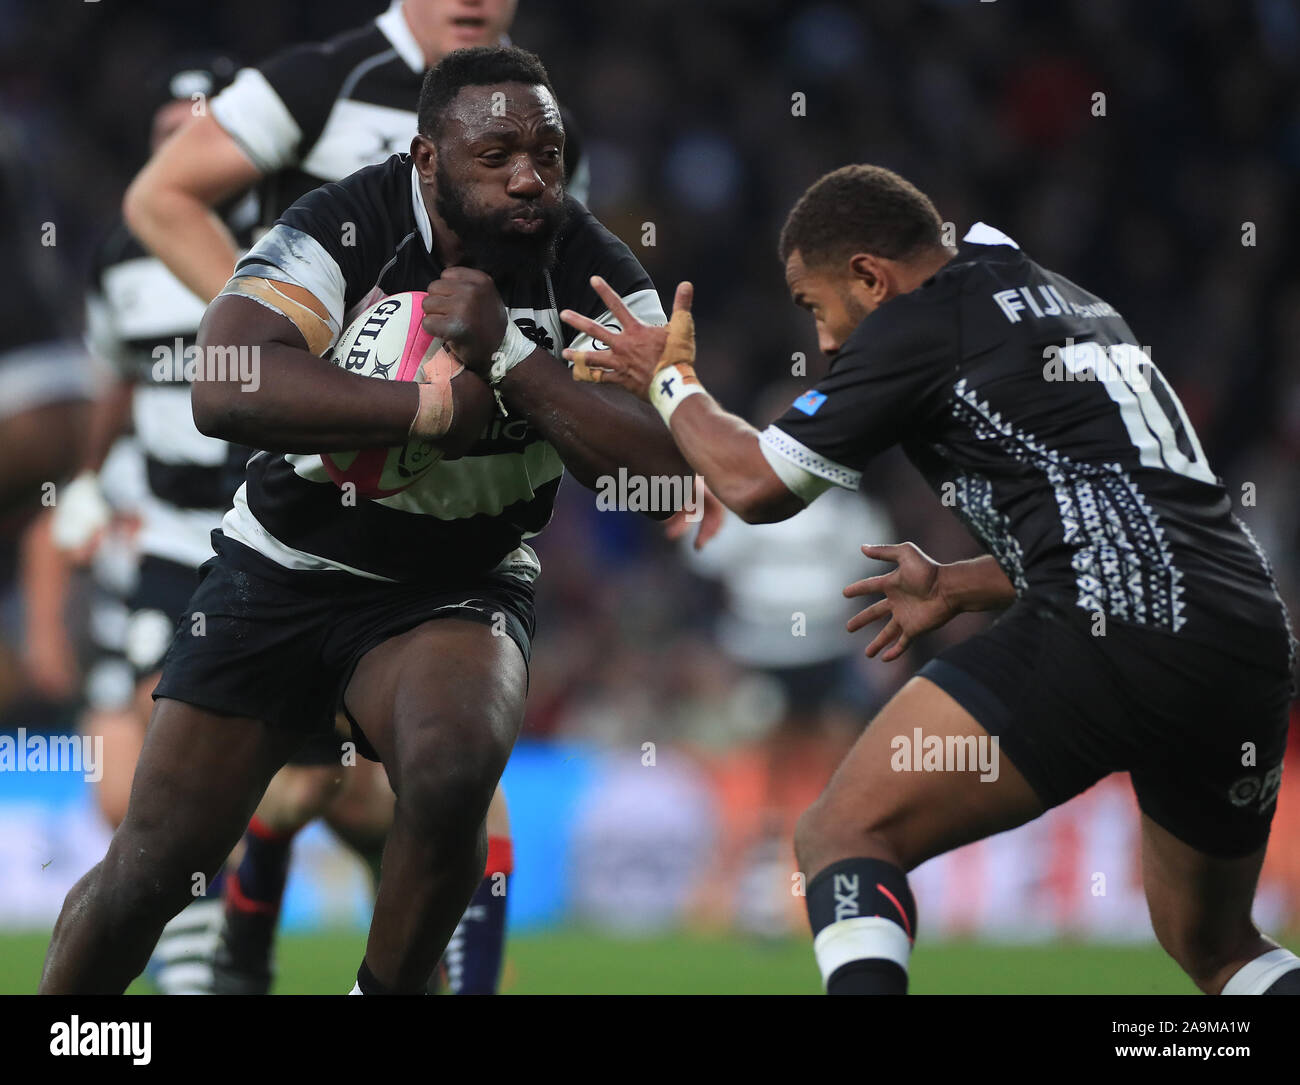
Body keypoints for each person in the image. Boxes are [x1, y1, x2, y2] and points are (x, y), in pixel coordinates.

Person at [39, 44, 690, 996]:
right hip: (283, 568)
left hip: (455, 584)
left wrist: (512, 357)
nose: (528, 177)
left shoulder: (589, 267)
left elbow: (666, 472)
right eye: (497, 153)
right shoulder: (346, 221)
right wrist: (422, 412)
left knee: (455, 759)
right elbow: (222, 383)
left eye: (547, 154)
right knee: (153, 869)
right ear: (428, 159)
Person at [562, 163, 1299, 995]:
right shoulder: (1070, 301)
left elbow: (754, 485)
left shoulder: (920, 321)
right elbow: (1132, 518)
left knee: (843, 832)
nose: (828, 342)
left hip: (1110, 629)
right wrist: (965, 583)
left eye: (817, 306)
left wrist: (669, 378)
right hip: (1243, 630)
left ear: (871, 277)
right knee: (1219, 948)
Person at [123, 0, 584, 994]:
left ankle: (260, 941)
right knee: (285, 795)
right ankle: (234, 940)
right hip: (307, 473)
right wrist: (305, 362)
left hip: (449, 480)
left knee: (445, 783)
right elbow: (161, 198)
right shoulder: (315, 80)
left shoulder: (518, 123)